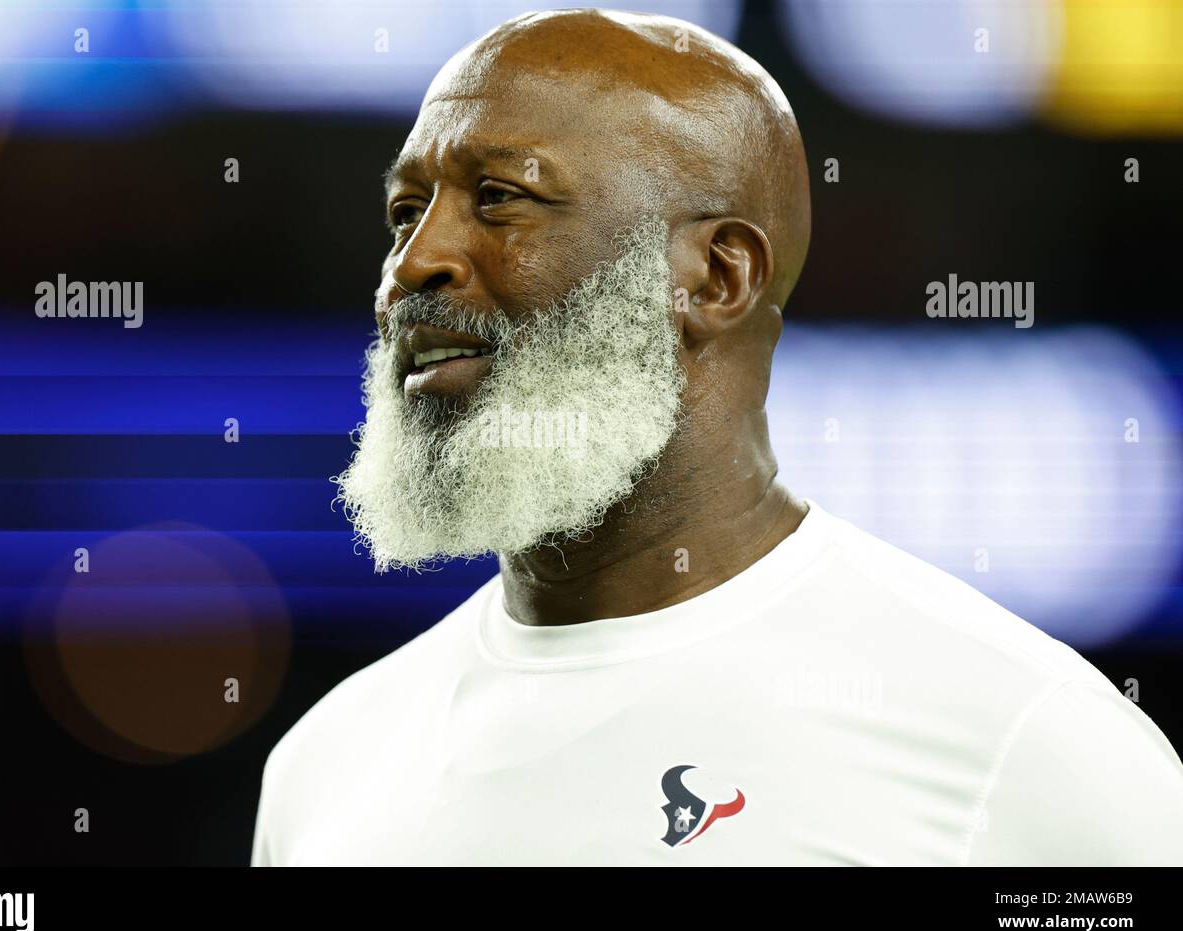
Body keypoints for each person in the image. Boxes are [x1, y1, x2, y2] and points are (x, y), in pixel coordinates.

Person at [251, 9, 1183, 865]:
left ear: (716, 275)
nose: (413, 265)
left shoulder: (1022, 742)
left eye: (501, 198)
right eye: (405, 213)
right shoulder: (327, 764)